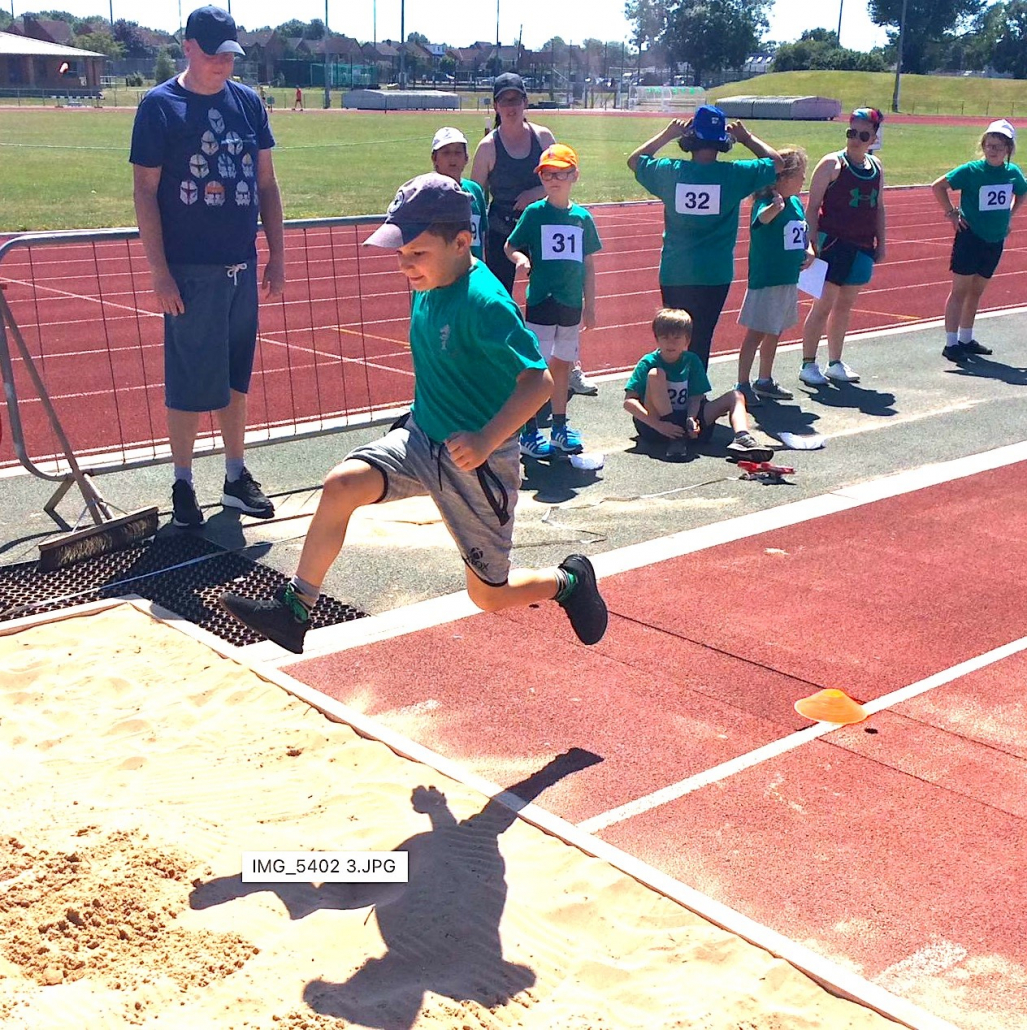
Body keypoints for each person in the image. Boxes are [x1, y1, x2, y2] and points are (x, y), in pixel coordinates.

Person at [220, 174, 608, 654]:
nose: (405, 265)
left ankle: (569, 581)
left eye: (417, 253)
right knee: (342, 484)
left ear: (461, 243)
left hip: (477, 462)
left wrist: (485, 439)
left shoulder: (485, 302)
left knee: (488, 595)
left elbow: (539, 382)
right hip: (423, 438)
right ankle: (295, 609)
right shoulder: (430, 281)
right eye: (401, 253)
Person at [130, 5, 285, 528]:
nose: (224, 63)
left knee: (236, 377)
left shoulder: (248, 103)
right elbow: (145, 191)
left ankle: (235, 477)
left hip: (241, 264)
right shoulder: (159, 107)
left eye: (231, 54)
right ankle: (183, 482)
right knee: (189, 381)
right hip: (189, 271)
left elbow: (267, 183)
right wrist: (159, 272)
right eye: (215, 53)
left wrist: (277, 255)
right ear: (189, 48)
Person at [627, 105, 783, 370]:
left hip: (676, 271)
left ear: (691, 136)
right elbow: (777, 163)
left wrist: (667, 134)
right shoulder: (734, 174)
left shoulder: (671, 170)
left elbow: (635, 161)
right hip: (714, 273)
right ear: (722, 140)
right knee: (701, 339)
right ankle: (695, 392)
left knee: (672, 339)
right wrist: (746, 138)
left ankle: (669, 388)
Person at [504, 143, 602, 459]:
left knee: (562, 366)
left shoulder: (582, 218)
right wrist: (521, 259)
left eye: (560, 174)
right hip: (542, 301)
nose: (553, 180)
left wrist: (591, 306)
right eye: (547, 175)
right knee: (537, 368)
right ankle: (529, 431)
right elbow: (510, 245)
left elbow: (588, 264)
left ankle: (559, 427)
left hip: (570, 303)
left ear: (574, 176)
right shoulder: (534, 213)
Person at [798, 108, 887, 387]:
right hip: (833, 244)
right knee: (823, 305)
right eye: (851, 133)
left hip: (862, 245)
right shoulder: (832, 164)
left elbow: (879, 207)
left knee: (845, 306)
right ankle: (808, 364)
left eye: (863, 135)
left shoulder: (876, 167)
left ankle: (835, 362)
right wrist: (811, 244)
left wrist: (881, 242)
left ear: (874, 139)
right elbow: (812, 208)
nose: (855, 139)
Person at [931, 119, 1027, 362]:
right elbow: (938, 186)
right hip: (970, 238)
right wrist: (951, 213)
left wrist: (1010, 215)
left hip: (995, 240)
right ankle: (951, 343)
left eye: (998, 146)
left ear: (1008, 149)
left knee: (976, 291)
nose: (993, 150)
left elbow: (1022, 191)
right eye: (989, 145)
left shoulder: (1013, 173)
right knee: (959, 291)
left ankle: (966, 338)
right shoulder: (971, 171)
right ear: (983, 146)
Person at [624, 308, 772, 460]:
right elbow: (629, 402)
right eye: (665, 337)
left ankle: (742, 438)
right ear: (657, 339)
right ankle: (675, 437)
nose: (670, 343)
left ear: (687, 341)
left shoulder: (692, 360)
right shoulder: (648, 362)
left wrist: (691, 418)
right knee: (656, 374)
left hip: (686, 418)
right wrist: (658, 425)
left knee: (736, 396)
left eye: (677, 338)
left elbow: (696, 397)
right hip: (656, 424)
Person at [736, 147, 815, 407]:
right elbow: (761, 219)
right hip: (768, 279)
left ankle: (765, 379)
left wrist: (810, 251)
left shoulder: (795, 202)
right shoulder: (767, 201)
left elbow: (801, 233)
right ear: (784, 177)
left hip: (788, 278)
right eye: (800, 174)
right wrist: (774, 208)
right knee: (757, 332)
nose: (804, 179)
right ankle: (742, 384)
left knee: (775, 330)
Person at [430, 126, 487, 261]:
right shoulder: (427, 193)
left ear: (466, 158)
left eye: (457, 152)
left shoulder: (475, 190)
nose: (452, 159)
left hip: (474, 268)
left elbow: (481, 235)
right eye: (446, 153)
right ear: (434, 158)